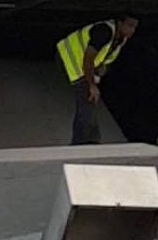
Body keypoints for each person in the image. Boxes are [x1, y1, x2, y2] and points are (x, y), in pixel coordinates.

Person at [56, 16, 138, 144]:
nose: (132, 30)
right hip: (69, 59)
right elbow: (88, 58)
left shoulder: (121, 39)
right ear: (120, 23)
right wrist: (92, 85)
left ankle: (82, 142)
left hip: (83, 64)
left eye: (134, 27)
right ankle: (87, 142)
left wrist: (100, 71)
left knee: (87, 103)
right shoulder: (104, 32)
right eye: (130, 25)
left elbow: (105, 59)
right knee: (88, 97)